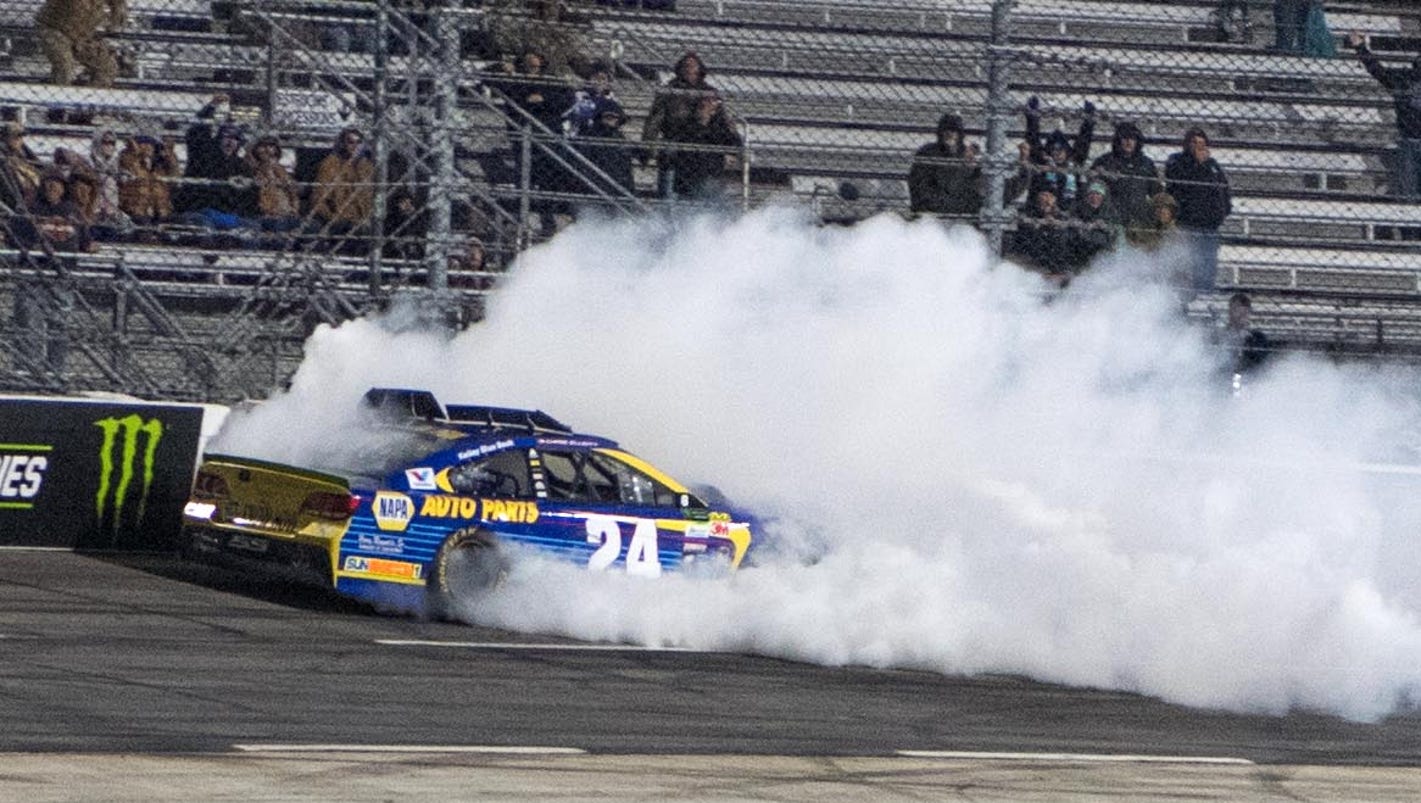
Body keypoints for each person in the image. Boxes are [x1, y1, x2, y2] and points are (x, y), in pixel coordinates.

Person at [642, 51, 743, 200]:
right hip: (675, 142)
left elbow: (724, 123)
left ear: (700, 69)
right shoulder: (669, 91)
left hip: (704, 149)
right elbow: (654, 121)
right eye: (686, 65)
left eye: (693, 65)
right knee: (669, 193)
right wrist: (648, 149)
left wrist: (731, 150)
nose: (689, 69)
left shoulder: (709, 92)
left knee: (706, 194)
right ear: (680, 69)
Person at [1347, 31, 1421, 197]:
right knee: (1408, 192)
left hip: (1408, 140)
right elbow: (1378, 71)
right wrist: (1360, 48)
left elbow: (1378, 71)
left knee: (1409, 189)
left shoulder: (1403, 78)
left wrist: (1360, 48)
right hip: (1408, 140)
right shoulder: (1403, 78)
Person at [1165, 127, 1231, 294]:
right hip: (1185, 226)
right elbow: (1179, 184)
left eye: (1202, 143)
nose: (1198, 147)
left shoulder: (1213, 166)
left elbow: (1223, 191)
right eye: (1194, 143)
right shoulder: (1176, 161)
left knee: (1206, 270)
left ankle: (1204, 299)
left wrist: (1222, 212)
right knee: (1184, 269)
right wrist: (1198, 164)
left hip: (1208, 228)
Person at [176, 95, 255, 230]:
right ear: (218, 139)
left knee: (252, 226)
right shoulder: (203, 157)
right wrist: (211, 107)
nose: (230, 141)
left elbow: (247, 198)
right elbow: (197, 133)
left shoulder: (241, 166)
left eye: (235, 138)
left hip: (231, 215)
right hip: (202, 211)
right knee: (203, 227)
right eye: (226, 137)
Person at [1088, 120, 1161, 239]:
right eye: (1125, 138)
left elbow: (1156, 192)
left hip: (1138, 218)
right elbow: (1093, 189)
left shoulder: (1146, 163)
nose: (1128, 142)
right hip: (1111, 217)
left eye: (1132, 138)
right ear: (1118, 140)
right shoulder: (1104, 161)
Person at [308, 127, 376, 251]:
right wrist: (333, 218)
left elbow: (374, 196)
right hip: (340, 220)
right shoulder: (330, 165)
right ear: (343, 144)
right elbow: (318, 199)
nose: (355, 146)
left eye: (359, 142)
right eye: (350, 142)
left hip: (364, 220)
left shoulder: (367, 167)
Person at [1024, 96, 1096, 208]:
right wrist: (1032, 118)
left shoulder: (1074, 162)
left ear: (1067, 152)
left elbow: (1084, 142)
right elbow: (1033, 140)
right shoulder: (1042, 162)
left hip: (1070, 209)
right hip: (1045, 209)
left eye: (1061, 150)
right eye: (1054, 150)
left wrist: (1088, 121)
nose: (1057, 154)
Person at [908, 112, 983, 219]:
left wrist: (970, 165)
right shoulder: (928, 152)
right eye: (946, 130)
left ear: (960, 134)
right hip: (931, 210)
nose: (950, 134)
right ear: (940, 132)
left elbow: (976, 188)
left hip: (962, 211)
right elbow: (919, 187)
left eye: (954, 131)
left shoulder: (967, 154)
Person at [35, 0, 127, 87]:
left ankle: (89, 97)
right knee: (65, 66)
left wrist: (114, 20)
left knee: (107, 68)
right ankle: (59, 95)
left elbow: (119, 9)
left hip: (83, 36)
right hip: (56, 30)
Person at [118, 134, 179, 239]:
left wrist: (170, 156)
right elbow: (129, 166)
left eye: (151, 145)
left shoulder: (159, 166)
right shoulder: (130, 159)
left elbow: (175, 179)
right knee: (144, 231)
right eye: (144, 145)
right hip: (136, 211)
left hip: (160, 211)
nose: (149, 148)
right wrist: (135, 154)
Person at [246, 135, 301, 235]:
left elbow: (293, 192)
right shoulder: (252, 170)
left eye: (270, 146)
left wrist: (294, 210)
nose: (267, 150)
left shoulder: (281, 170)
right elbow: (259, 195)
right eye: (262, 146)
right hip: (265, 215)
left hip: (286, 213)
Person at [1217, 292, 1271, 377]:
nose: (1240, 315)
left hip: (1249, 377)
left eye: (1245, 312)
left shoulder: (1258, 337)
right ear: (1230, 312)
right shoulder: (1218, 335)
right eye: (1236, 310)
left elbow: (1261, 362)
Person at [1070, 180, 1119, 266]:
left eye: (1098, 194)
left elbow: (1116, 228)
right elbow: (1072, 221)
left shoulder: (1110, 210)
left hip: (1103, 240)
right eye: (1092, 194)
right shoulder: (1079, 208)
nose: (1094, 197)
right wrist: (1085, 226)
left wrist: (1104, 226)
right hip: (1083, 240)